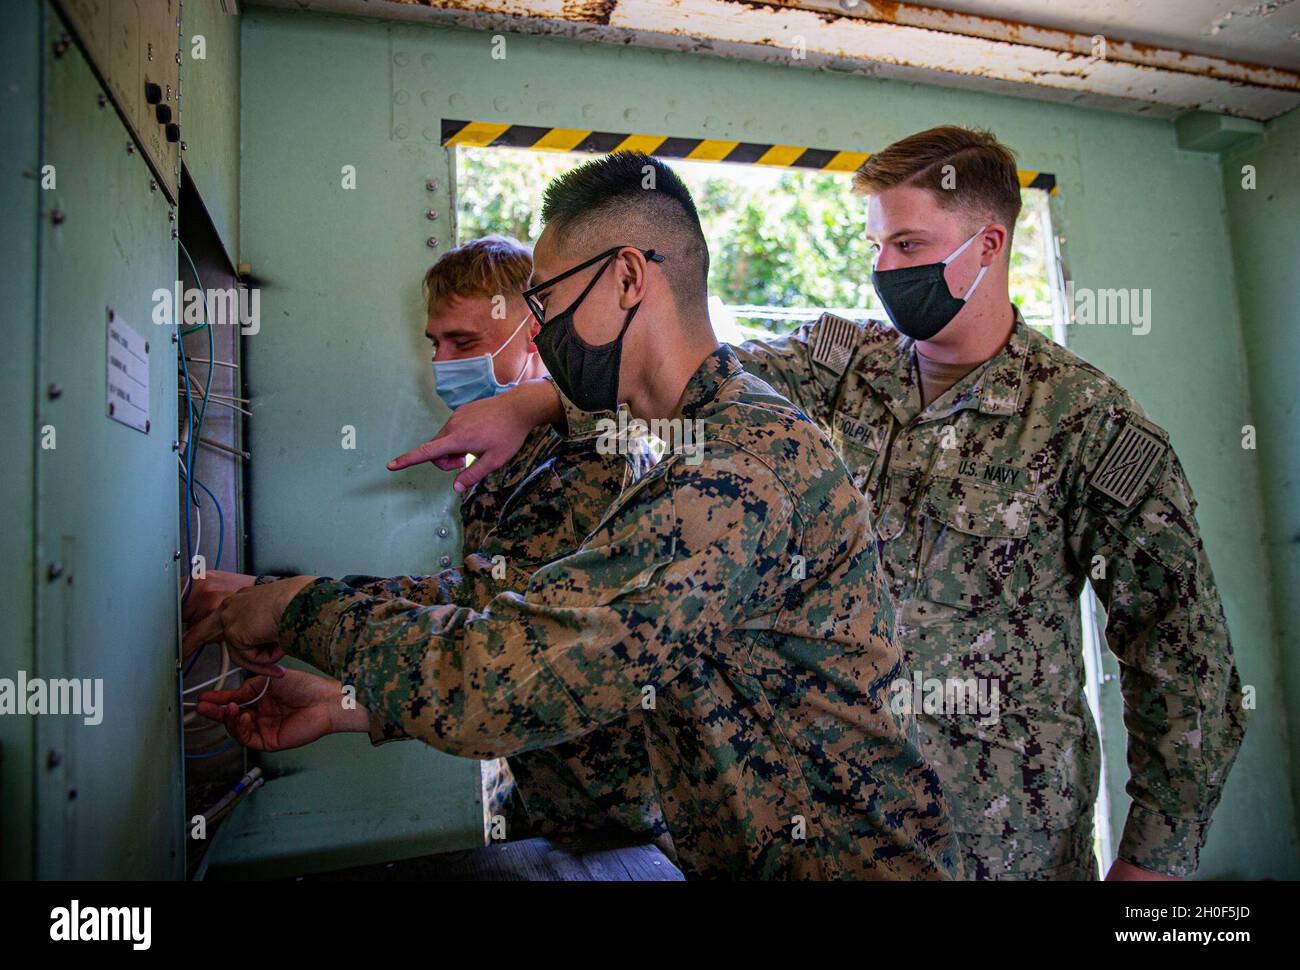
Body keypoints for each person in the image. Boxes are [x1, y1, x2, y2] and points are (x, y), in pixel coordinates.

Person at [416, 129, 1247, 881]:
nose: (885, 269)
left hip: (1003, 842)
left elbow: (1186, 660)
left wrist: (1155, 867)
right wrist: (528, 404)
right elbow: (684, 368)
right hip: (835, 835)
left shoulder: (1087, 425)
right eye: (878, 244)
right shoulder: (842, 365)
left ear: (989, 245)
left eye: (910, 244)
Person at [191, 152, 957, 880]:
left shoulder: (731, 473)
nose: (545, 331)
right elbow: (527, 606)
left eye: (548, 302)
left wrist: (299, 610)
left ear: (627, 278)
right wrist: (326, 642)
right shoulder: (699, 437)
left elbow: (505, 682)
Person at [184, 236, 673, 856]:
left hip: (615, 827)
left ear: (535, 334)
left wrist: (281, 601)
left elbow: (494, 622)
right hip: (556, 796)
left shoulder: (589, 457)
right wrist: (350, 703)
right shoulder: (518, 454)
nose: (442, 362)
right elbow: (502, 654)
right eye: (434, 344)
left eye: (463, 343)